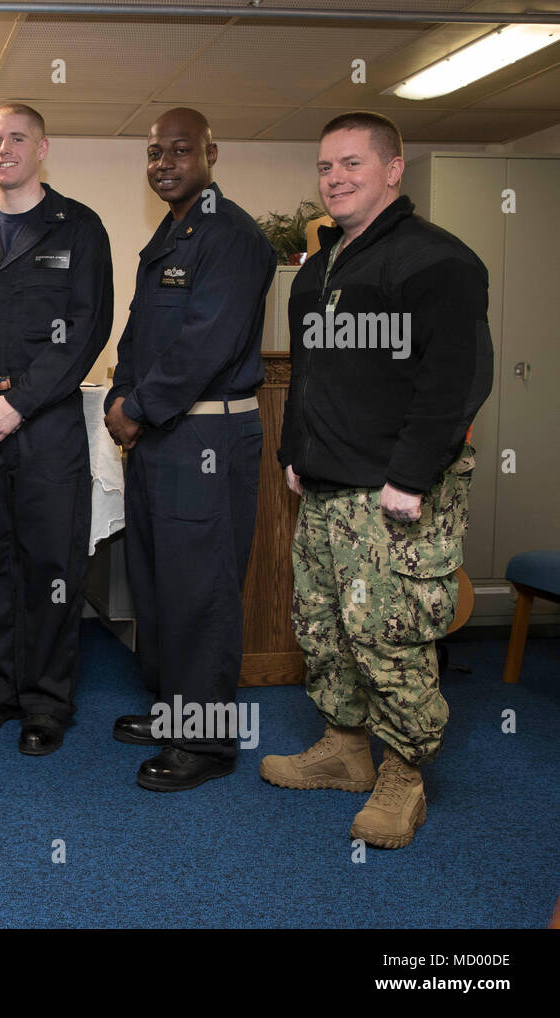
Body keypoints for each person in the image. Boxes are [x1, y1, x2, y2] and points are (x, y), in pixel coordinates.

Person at [261, 111, 492, 849]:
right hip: (326, 487)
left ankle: (405, 775)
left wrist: (411, 476)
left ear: (394, 170)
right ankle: (345, 747)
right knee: (323, 628)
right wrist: (296, 452)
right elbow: (310, 376)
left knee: (388, 638)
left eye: (353, 164)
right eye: (326, 167)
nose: (336, 179)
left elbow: (456, 382)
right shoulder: (321, 268)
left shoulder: (437, 261)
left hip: (393, 493)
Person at [0, 103, 113, 755]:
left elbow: (87, 330)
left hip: (46, 426)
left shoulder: (79, 228)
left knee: (50, 563)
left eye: (15, 138)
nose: (2, 148)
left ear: (42, 147)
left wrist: (21, 403)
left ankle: (45, 702)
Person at [104, 107, 275, 791]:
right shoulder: (172, 235)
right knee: (158, 586)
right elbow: (142, 336)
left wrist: (137, 409)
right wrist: (122, 397)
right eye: (153, 153)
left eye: (179, 151)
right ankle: (176, 713)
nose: (164, 163)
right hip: (157, 436)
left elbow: (204, 342)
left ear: (211, 152)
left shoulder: (230, 236)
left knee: (201, 592)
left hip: (205, 434)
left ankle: (205, 745)